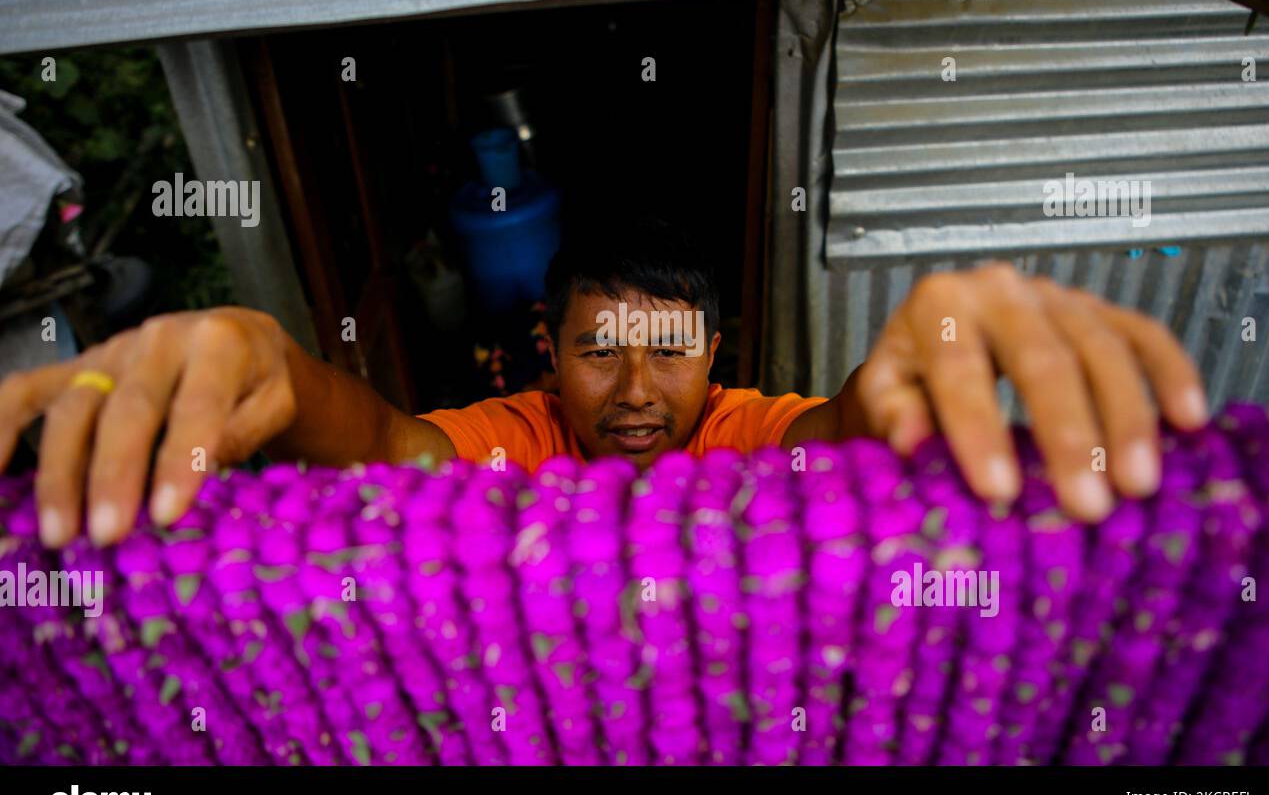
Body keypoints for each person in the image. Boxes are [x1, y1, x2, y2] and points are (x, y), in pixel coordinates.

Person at [0, 219, 1207, 549]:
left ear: (720, 356)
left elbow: (849, 426)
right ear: (545, 352)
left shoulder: (760, 435)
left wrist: (931, 364)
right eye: (597, 349)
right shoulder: (512, 440)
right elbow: (394, 453)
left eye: (669, 348)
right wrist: (278, 363)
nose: (634, 389)